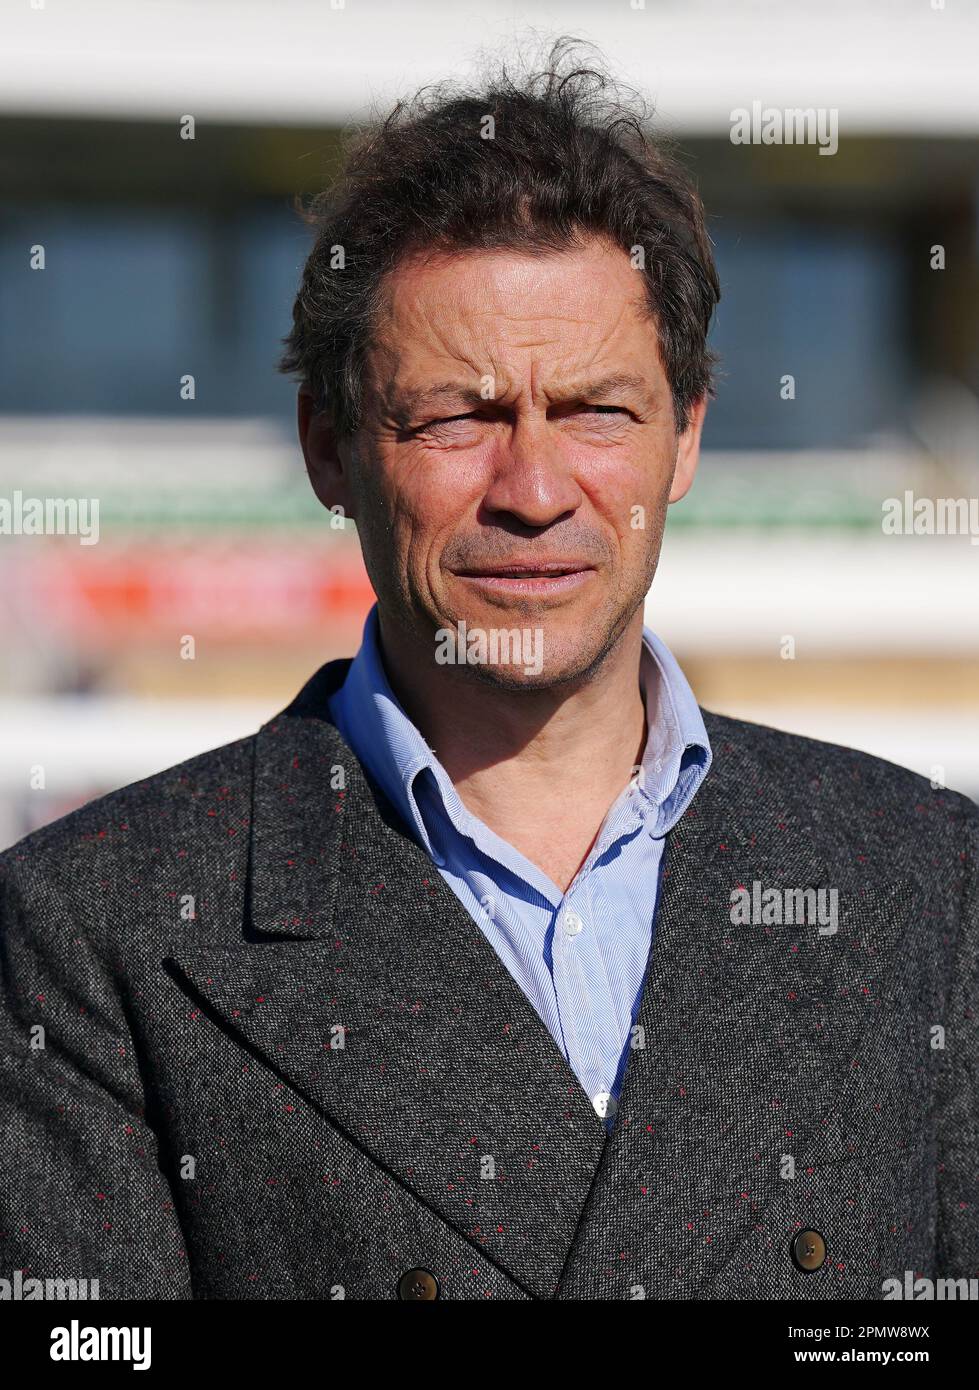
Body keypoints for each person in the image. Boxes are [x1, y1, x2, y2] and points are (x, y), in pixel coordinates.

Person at [1, 40, 975, 1302]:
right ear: (330, 449)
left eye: (596, 412)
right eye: (456, 417)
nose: (532, 491)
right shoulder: (93, 926)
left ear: (686, 438)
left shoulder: (923, 878)